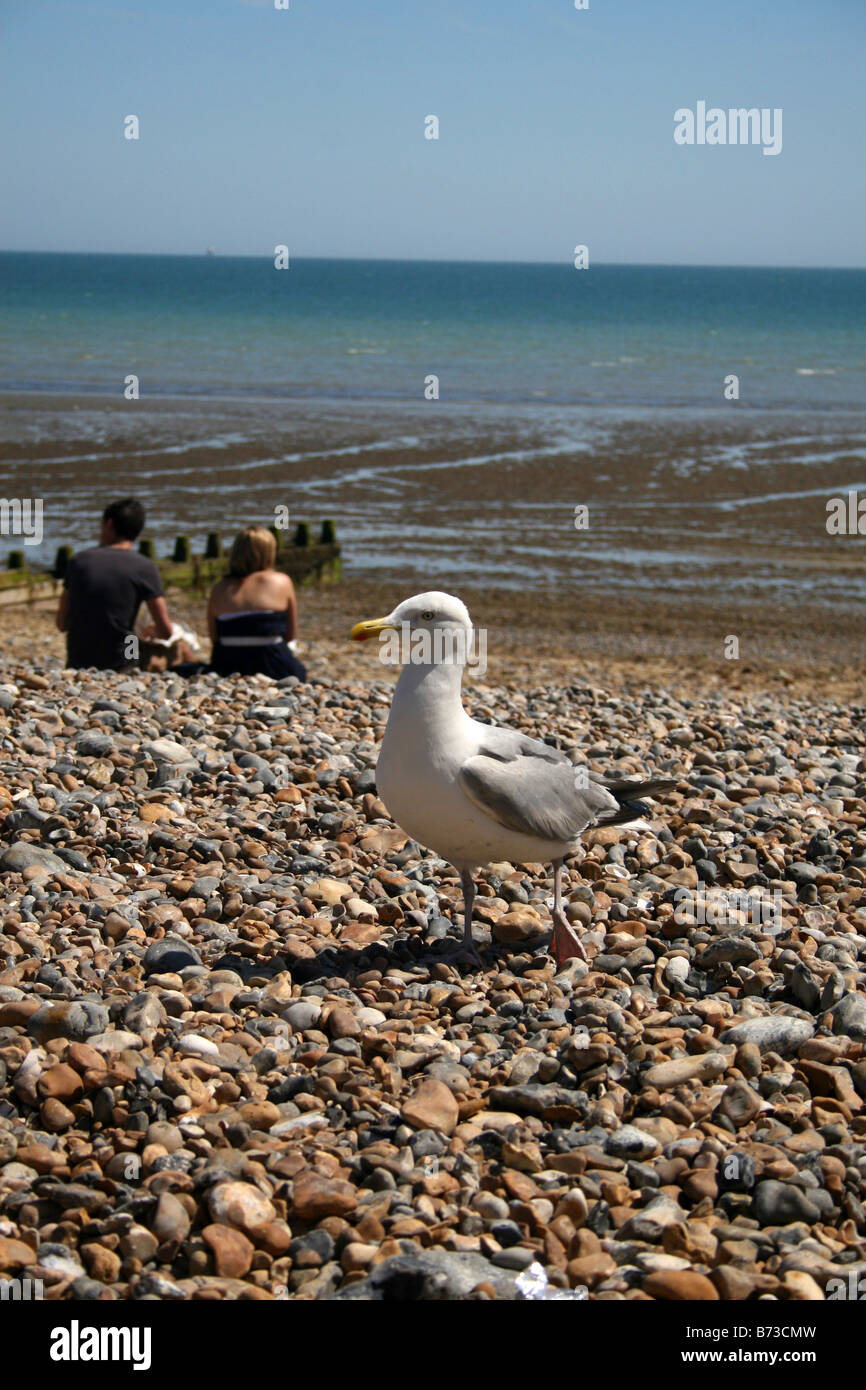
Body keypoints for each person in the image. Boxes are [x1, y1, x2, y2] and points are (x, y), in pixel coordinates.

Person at [56, 498, 174, 670]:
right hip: (122, 660)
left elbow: (61, 624)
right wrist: (149, 632)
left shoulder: (79, 562)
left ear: (109, 524)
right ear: (138, 531)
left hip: (78, 660)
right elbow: (166, 631)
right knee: (133, 638)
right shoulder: (145, 567)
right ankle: (132, 670)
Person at [204, 525, 306, 680]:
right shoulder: (281, 581)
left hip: (227, 663)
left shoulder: (219, 588)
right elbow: (290, 634)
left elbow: (214, 638)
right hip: (272, 661)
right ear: (269, 553)